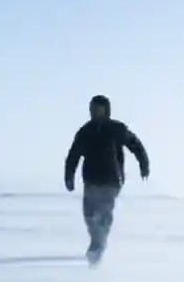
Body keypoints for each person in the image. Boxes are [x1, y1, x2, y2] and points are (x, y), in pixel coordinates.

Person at [64, 95, 150, 265]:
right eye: (93, 109)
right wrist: (69, 176)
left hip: (112, 179)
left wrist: (144, 164)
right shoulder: (85, 132)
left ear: (106, 110)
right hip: (91, 180)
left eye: (99, 109)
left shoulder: (116, 129)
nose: (95, 112)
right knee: (89, 215)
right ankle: (97, 242)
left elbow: (136, 145)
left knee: (104, 213)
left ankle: (98, 246)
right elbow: (73, 155)